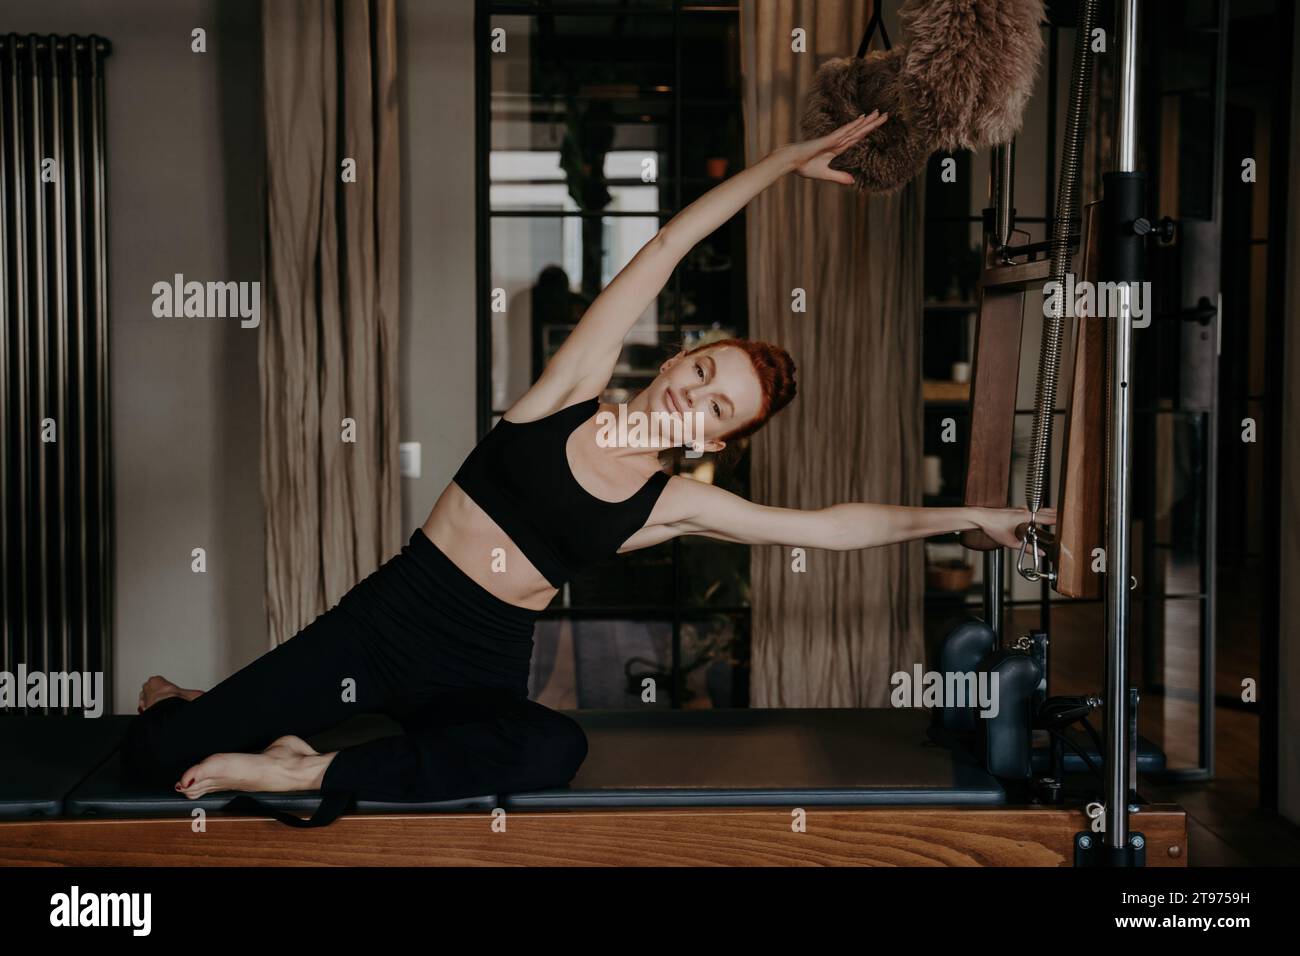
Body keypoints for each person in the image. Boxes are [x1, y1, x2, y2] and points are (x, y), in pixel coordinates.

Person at [124, 113, 1053, 826]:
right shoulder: (569, 392)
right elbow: (667, 247)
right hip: (381, 628)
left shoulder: (673, 500)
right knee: (159, 752)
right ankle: (187, 699)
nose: (694, 393)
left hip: (474, 673)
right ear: (677, 360)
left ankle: (306, 769)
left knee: (550, 745)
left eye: (718, 405)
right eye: (701, 369)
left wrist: (973, 515)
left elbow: (833, 526)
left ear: (717, 441)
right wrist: (781, 164)